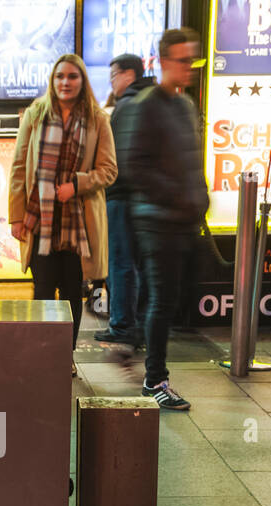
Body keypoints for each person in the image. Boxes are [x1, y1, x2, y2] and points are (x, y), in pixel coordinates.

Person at [114, 28, 208, 412]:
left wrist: (199, 197)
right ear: (164, 61)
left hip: (183, 219)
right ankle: (155, 380)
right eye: (184, 61)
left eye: (194, 61)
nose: (190, 68)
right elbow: (133, 164)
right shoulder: (147, 105)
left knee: (168, 300)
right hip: (157, 222)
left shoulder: (184, 106)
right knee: (162, 300)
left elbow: (190, 159)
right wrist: (178, 196)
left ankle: (139, 350)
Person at [9, 54, 118, 376]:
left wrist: (77, 184)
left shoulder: (98, 119)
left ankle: (65, 355)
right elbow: (18, 167)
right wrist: (16, 216)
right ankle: (42, 351)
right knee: (42, 290)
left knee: (71, 292)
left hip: (79, 223)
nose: (65, 83)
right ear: (52, 80)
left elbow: (109, 170)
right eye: (59, 77)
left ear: (82, 81)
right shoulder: (35, 114)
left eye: (72, 77)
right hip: (39, 219)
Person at [95, 54, 155, 348]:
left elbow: (117, 158)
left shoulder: (128, 106)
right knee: (140, 266)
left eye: (114, 75)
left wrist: (110, 187)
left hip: (121, 196)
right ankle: (140, 324)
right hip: (145, 199)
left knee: (120, 262)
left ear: (128, 74)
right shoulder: (151, 101)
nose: (112, 82)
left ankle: (121, 326)